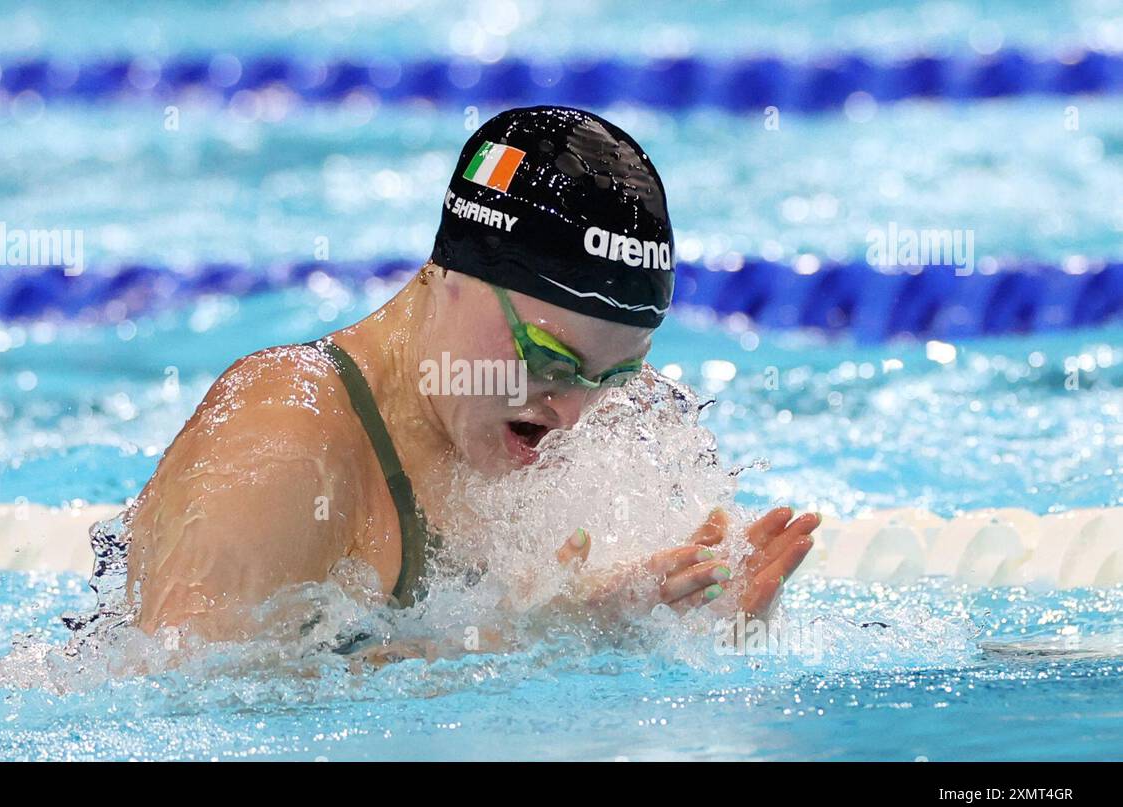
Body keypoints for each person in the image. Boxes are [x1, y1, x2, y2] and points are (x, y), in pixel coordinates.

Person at [125, 106, 820, 643]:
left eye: (615, 377)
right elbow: (187, 709)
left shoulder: (567, 426)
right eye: (550, 360)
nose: (575, 417)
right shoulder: (285, 438)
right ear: (452, 273)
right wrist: (542, 645)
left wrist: (704, 632)